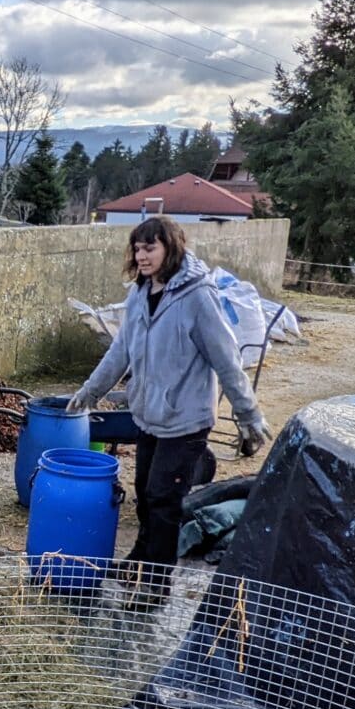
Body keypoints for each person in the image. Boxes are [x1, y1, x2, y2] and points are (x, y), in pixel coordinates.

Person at [68, 216, 269, 604]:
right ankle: (140, 561)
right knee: (146, 494)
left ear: (171, 248)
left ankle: (157, 586)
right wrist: (91, 390)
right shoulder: (140, 293)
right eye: (137, 249)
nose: (141, 256)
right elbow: (121, 351)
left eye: (150, 248)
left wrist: (248, 413)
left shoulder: (197, 297)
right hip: (149, 416)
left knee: (164, 500)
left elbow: (226, 358)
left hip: (186, 419)